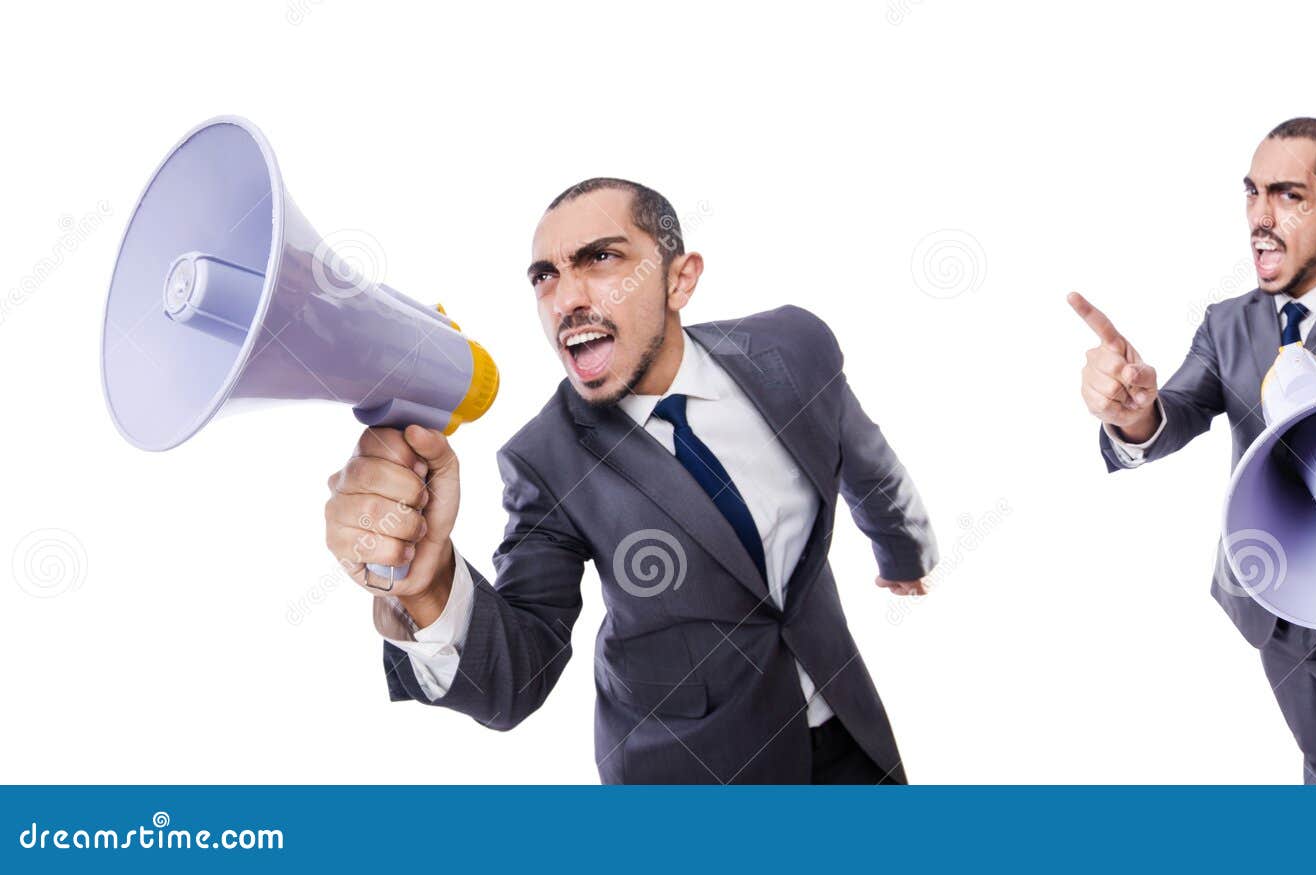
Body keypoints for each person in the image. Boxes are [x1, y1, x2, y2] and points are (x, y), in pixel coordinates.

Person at [324, 178, 938, 784]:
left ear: (680, 278)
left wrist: (902, 549)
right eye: (545, 276)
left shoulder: (792, 346)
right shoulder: (545, 459)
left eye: (601, 258)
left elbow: (859, 453)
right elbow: (516, 679)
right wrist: (429, 584)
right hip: (692, 772)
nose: (565, 300)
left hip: (849, 729)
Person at [1071, 118, 1316, 784]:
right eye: (1252, 193)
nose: (1261, 218)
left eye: (1290, 196)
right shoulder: (1227, 321)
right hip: (1269, 601)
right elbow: (1175, 413)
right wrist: (1135, 414)